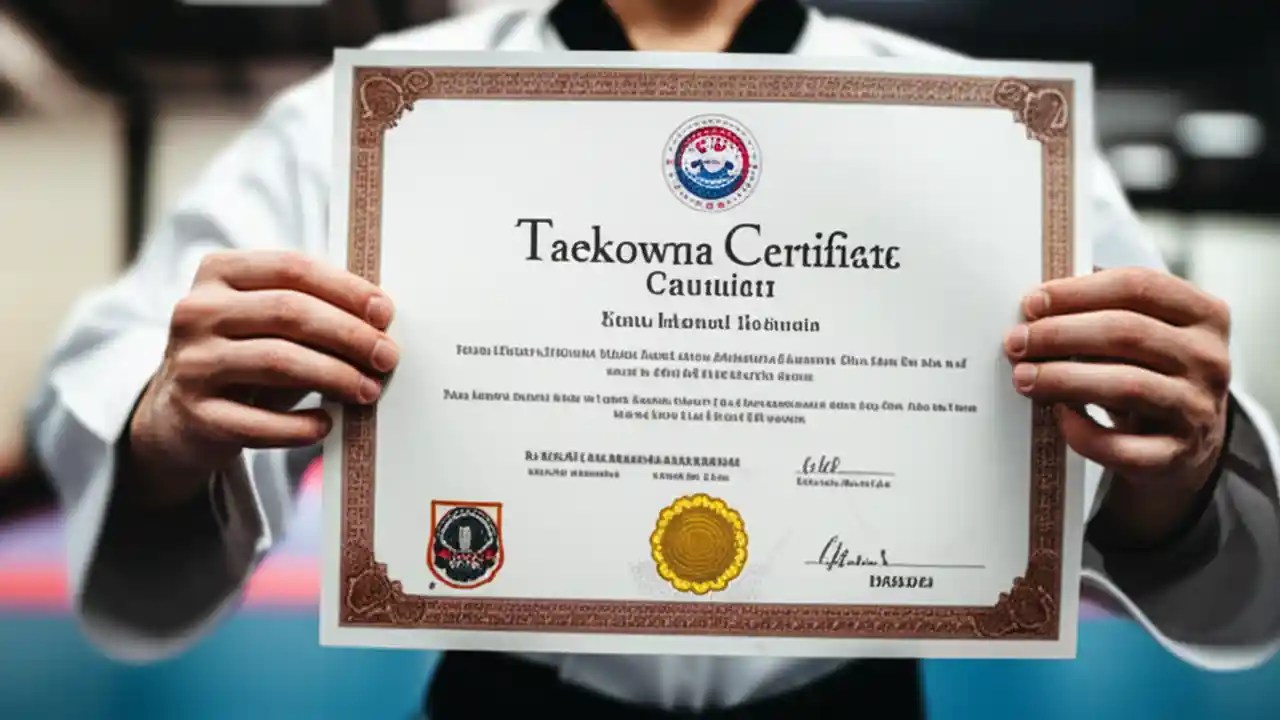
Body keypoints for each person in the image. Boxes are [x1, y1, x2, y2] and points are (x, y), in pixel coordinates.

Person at [24, 0, 1280, 717]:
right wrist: (160, 422)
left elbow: (1171, 499)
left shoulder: (984, 129)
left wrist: (1181, 465)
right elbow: (129, 366)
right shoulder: (384, 113)